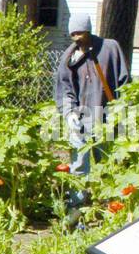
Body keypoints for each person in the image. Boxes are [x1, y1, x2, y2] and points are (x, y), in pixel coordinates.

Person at [54, 14, 130, 229]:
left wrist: (120, 110)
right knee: (79, 170)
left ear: (89, 31)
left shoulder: (109, 48)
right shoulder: (68, 58)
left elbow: (124, 81)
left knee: (107, 168)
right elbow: (64, 90)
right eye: (73, 35)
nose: (77, 38)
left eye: (80, 33)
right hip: (80, 122)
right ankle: (77, 218)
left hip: (107, 120)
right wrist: (69, 115)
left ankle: (111, 214)